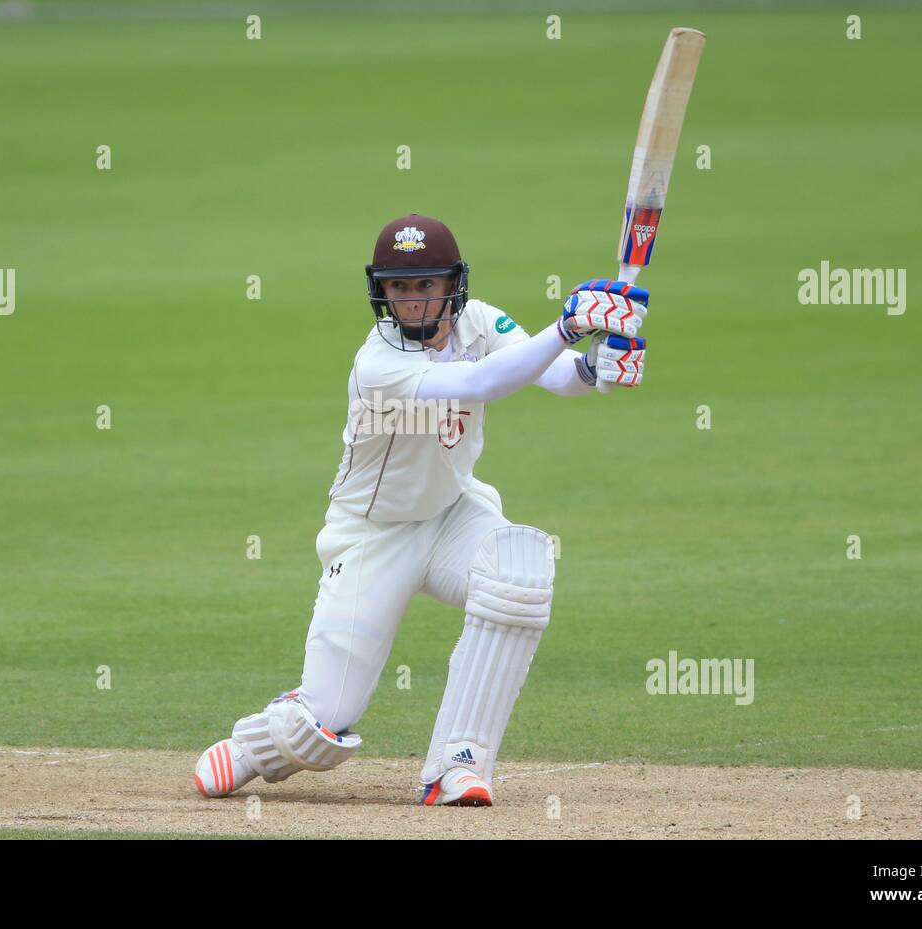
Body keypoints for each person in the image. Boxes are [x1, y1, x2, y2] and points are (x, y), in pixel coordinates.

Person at [193, 214, 648, 806]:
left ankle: (458, 763)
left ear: (451, 284)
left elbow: (558, 378)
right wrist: (566, 328)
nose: (412, 300)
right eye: (399, 287)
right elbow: (482, 383)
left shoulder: (479, 320)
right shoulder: (377, 364)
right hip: (372, 537)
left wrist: (595, 365)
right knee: (323, 729)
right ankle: (262, 743)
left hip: (452, 513)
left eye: (426, 284)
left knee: (520, 573)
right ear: (380, 290)